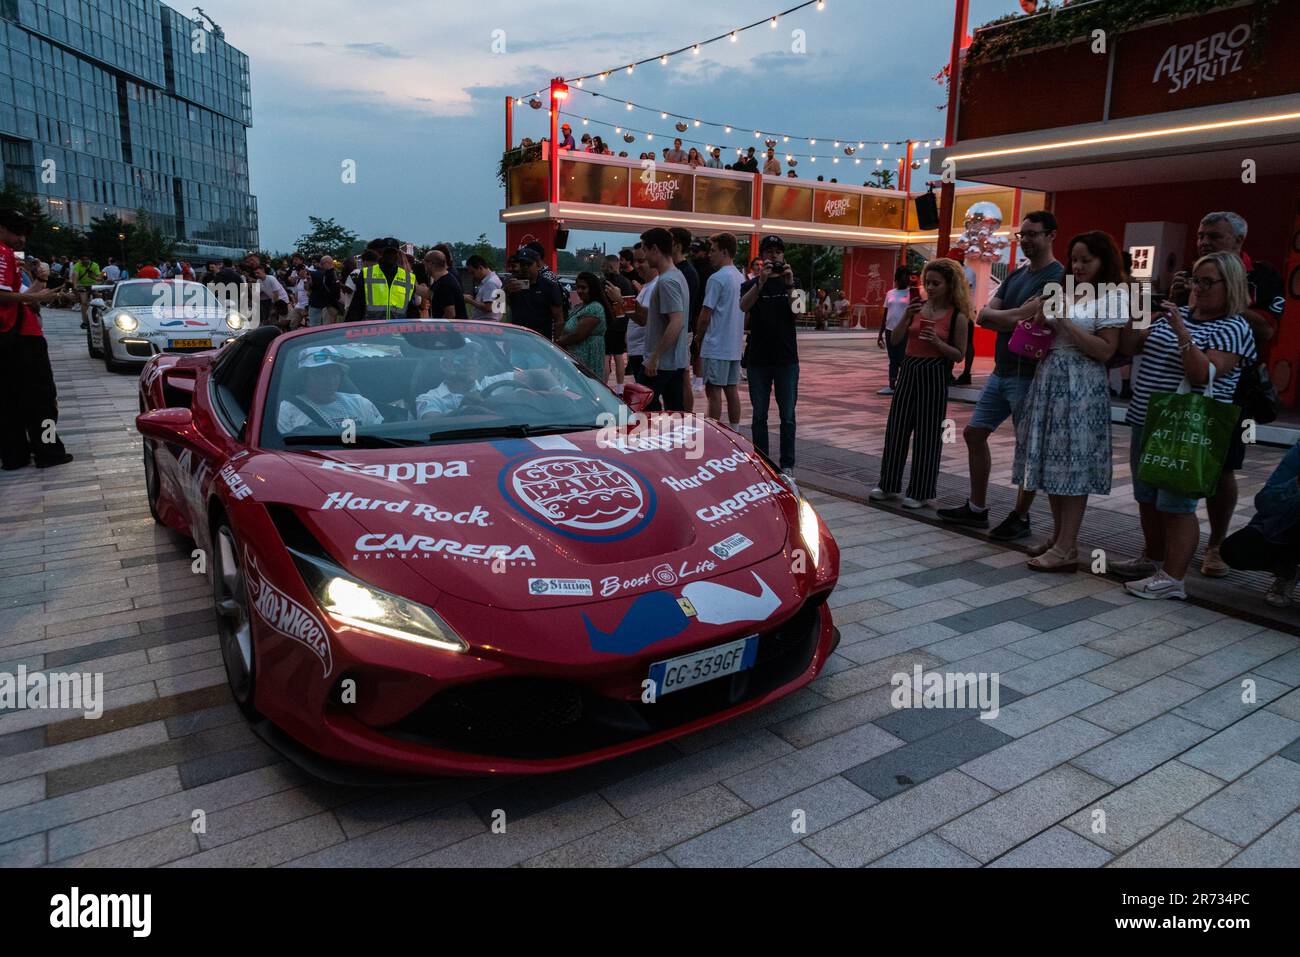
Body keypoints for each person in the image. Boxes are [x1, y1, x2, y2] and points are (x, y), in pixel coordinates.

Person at [1112, 251, 1257, 600]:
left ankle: (1173, 579)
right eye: (1195, 279)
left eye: (1208, 282)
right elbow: (1131, 346)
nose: (1198, 287)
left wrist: (1180, 330)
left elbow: (1201, 373)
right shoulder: (1177, 315)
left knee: (1176, 505)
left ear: (1231, 285)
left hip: (1187, 428)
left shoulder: (1235, 327)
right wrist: (1135, 307)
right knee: (1147, 497)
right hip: (1148, 419)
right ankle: (1153, 558)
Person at [1171, 212, 1286, 579]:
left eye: (1214, 236)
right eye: (1201, 235)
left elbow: (1267, 330)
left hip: (1236, 388)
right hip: (1184, 386)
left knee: (1222, 468)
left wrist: (1230, 299)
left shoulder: (1262, 276)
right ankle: (1164, 544)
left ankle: (1215, 545)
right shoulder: (1196, 273)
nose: (1203, 242)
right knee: (1177, 464)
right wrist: (1188, 294)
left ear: (1238, 241)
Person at [937, 210, 1065, 540]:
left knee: (1028, 447)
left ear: (1051, 236)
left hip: (1031, 375)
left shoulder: (1058, 277)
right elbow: (984, 316)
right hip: (1003, 371)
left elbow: (1033, 321)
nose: (1026, 241)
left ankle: (1021, 517)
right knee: (974, 433)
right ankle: (977, 509)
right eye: (1023, 235)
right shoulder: (1017, 275)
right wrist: (1018, 315)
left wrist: (1006, 317)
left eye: (1033, 234)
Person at [1012, 232, 1129, 571]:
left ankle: (1067, 546)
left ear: (1103, 262)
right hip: (1049, 378)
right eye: (1074, 259)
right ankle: (1061, 536)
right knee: (1051, 461)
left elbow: (1105, 350)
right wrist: (1039, 320)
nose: (1077, 266)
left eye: (1086, 260)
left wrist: (1062, 319)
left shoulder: (1114, 296)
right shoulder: (1062, 290)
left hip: (1081, 385)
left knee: (1073, 464)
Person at [870, 259, 971, 509]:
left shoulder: (957, 316)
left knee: (928, 434)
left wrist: (937, 342)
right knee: (897, 428)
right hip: (910, 368)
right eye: (928, 282)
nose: (930, 287)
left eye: (936, 283)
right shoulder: (918, 308)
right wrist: (907, 313)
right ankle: (888, 484)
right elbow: (896, 339)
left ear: (950, 285)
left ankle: (921, 491)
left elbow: (959, 355)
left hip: (935, 372)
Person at [0, 208, 73, 470]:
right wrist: (36, 297)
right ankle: (48, 451)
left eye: (25, 235)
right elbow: (5, 296)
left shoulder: (9, 256)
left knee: (9, 399)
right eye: (17, 232)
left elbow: (20, 299)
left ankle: (14, 455)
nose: (22, 240)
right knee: (42, 399)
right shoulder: (2, 253)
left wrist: (40, 281)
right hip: (23, 338)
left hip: (14, 337)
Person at [740, 235, 800, 477]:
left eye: (777, 252)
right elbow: (743, 306)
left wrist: (789, 285)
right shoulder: (752, 284)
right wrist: (760, 283)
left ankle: (787, 464)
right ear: (762, 256)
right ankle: (762, 461)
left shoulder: (793, 282)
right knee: (759, 415)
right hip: (758, 359)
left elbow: (799, 312)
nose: (773, 256)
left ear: (783, 256)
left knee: (787, 416)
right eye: (768, 252)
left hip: (786, 359)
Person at [1221, 441, 1300, 607]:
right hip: (1287, 528)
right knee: (1237, 549)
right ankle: (1286, 569)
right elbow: (1266, 501)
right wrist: (1296, 484)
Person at [638, 227, 689, 412]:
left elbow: (677, 321)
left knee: (640, 407)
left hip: (661, 363)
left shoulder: (667, 281)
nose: (644, 256)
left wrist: (654, 357)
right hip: (673, 362)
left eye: (644, 250)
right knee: (674, 412)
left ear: (655, 249)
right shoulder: (677, 276)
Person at [697, 232, 745, 427]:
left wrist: (699, 337)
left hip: (715, 344)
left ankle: (715, 432)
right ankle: (735, 431)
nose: (710, 254)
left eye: (714, 250)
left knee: (713, 391)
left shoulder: (716, 279)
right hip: (733, 345)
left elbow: (706, 313)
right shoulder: (740, 277)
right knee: (731, 390)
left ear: (724, 252)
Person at [277, 347, 384, 433]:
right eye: (320, 374)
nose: (330, 380)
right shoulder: (287, 410)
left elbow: (380, 439)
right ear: (304, 377)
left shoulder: (361, 403)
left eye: (334, 373)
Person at [343, 239, 415, 322]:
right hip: (373, 330)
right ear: (380, 253)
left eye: (392, 253)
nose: (390, 256)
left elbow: (411, 310)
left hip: (398, 330)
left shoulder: (408, 278)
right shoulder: (366, 274)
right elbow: (357, 305)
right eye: (387, 252)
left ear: (398, 254)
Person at [504, 246, 563, 341]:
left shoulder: (549, 286)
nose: (525, 267)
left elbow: (559, 319)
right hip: (517, 339)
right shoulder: (512, 283)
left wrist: (555, 344)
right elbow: (495, 308)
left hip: (540, 341)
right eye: (522, 264)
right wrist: (505, 292)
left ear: (538, 265)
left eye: (529, 264)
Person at [557, 272, 609, 374]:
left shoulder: (595, 308)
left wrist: (559, 342)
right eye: (578, 287)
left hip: (587, 360)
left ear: (592, 288)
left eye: (583, 288)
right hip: (576, 360)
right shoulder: (581, 306)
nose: (579, 291)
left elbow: (579, 335)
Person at [877, 269, 912, 396]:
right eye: (902, 277)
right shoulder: (890, 293)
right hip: (889, 329)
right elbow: (886, 313)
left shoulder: (911, 293)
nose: (904, 280)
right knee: (892, 358)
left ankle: (904, 384)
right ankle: (892, 384)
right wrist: (880, 333)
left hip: (904, 330)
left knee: (902, 357)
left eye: (906, 277)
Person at [602, 254, 633, 390]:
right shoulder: (626, 282)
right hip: (622, 323)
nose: (602, 268)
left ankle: (604, 386)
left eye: (603, 265)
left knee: (605, 356)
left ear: (610, 265)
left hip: (608, 323)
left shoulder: (604, 282)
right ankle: (620, 388)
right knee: (619, 356)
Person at [422, 249, 467, 320]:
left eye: (425, 261)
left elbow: (450, 314)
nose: (424, 264)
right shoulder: (441, 280)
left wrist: (437, 327)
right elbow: (429, 294)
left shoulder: (445, 284)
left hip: (451, 330)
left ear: (431, 264)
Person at [464, 255, 503, 321]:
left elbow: (488, 307)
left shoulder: (490, 283)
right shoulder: (493, 279)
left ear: (480, 268)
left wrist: (469, 300)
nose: (473, 276)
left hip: (487, 324)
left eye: (473, 273)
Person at [307, 256, 341, 326]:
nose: (321, 266)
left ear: (327, 263)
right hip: (333, 304)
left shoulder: (329, 274)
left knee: (328, 326)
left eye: (322, 264)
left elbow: (331, 290)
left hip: (330, 304)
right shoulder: (335, 272)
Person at [71, 253, 102, 329]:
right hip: (82, 285)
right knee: (84, 303)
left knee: (98, 301)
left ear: (89, 260)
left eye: (86, 259)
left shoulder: (95, 265)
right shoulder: (77, 265)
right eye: (83, 260)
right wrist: (75, 287)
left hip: (93, 285)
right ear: (80, 260)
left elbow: (99, 277)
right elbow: (75, 276)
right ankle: (85, 321)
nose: (85, 261)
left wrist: (93, 277)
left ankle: (96, 317)